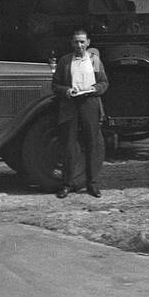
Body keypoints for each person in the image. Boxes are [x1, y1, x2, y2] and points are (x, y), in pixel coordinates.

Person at [51, 27, 109, 199]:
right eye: (76, 42)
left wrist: (95, 88)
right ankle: (67, 184)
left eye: (82, 42)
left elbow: (104, 83)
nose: (79, 45)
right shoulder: (65, 61)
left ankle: (92, 184)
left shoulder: (94, 60)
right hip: (70, 105)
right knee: (69, 145)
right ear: (72, 43)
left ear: (88, 43)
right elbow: (55, 85)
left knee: (92, 143)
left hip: (89, 103)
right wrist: (67, 91)